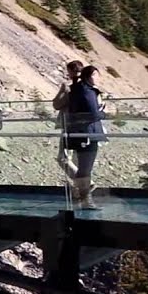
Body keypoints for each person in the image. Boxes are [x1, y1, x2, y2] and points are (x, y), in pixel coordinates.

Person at [66, 65, 108, 210]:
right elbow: (93, 114)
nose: (98, 78)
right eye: (96, 74)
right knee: (85, 168)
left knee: (83, 167)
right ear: (89, 76)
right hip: (88, 133)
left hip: (79, 133)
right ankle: (85, 200)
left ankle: (79, 196)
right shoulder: (87, 91)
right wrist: (103, 112)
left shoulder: (76, 89)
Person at [51, 60, 84, 180]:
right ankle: (82, 191)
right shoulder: (89, 86)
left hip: (69, 125)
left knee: (63, 158)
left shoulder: (70, 87)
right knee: (79, 160)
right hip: (86, 127)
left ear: (71, 71)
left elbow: (56, 104)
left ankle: (84, 183)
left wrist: (62, 90)